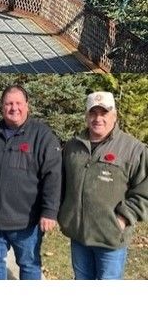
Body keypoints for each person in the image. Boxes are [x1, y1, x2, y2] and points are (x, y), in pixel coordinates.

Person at [0, 84, 62, 279]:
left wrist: (49, 212)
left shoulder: (42, 135)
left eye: (18, 103)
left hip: (26, 222)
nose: (14, 108)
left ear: (27, 105)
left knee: (29, 265)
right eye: (9, 104)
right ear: (2, 107)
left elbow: (53, 176)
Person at [59, 91, 148, 279]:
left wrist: (124, 218)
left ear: (114, 115)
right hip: (79, 236)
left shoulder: (133, 149)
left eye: (104, 113)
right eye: (93, 113)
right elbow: (61, 183)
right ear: (86, 116)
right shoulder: (73, 146)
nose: (98, 118)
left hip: (110, 238)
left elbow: (144, 188)